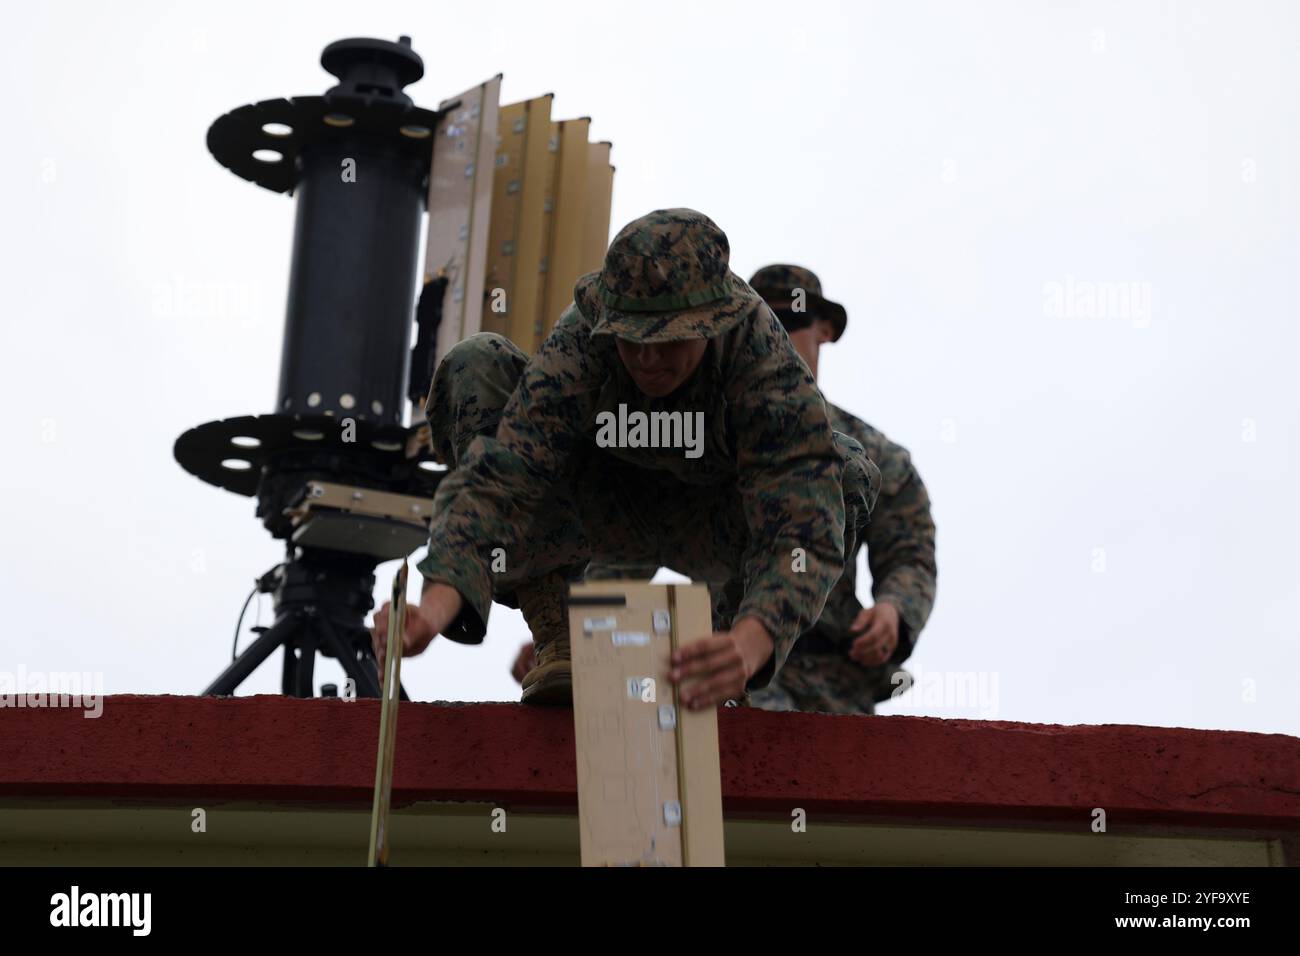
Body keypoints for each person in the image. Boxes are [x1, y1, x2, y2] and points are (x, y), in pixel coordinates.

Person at [371, 209, 880, 707]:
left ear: (712, 322)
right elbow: (505, 474)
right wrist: (434, 607)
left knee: (847, 469)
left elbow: (802, 520)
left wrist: (746, 646)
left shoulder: (758, 351)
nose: (647, 359)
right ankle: (559, 632)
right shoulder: (585, 337)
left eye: (667, 340)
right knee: (476, 362)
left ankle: (719, 663)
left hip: (714, 521)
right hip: (601, 510)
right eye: (632, 340)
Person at [743, 264, 937, 714]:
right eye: (761, 325)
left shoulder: (874, 454)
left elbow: (910, 552)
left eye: (791, 322)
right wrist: (573, 634)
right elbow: (629, 534)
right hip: (727, 667)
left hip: (831, 681)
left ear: (824, 329)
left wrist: (892, 610)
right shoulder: (707, 439)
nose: (776, 337)